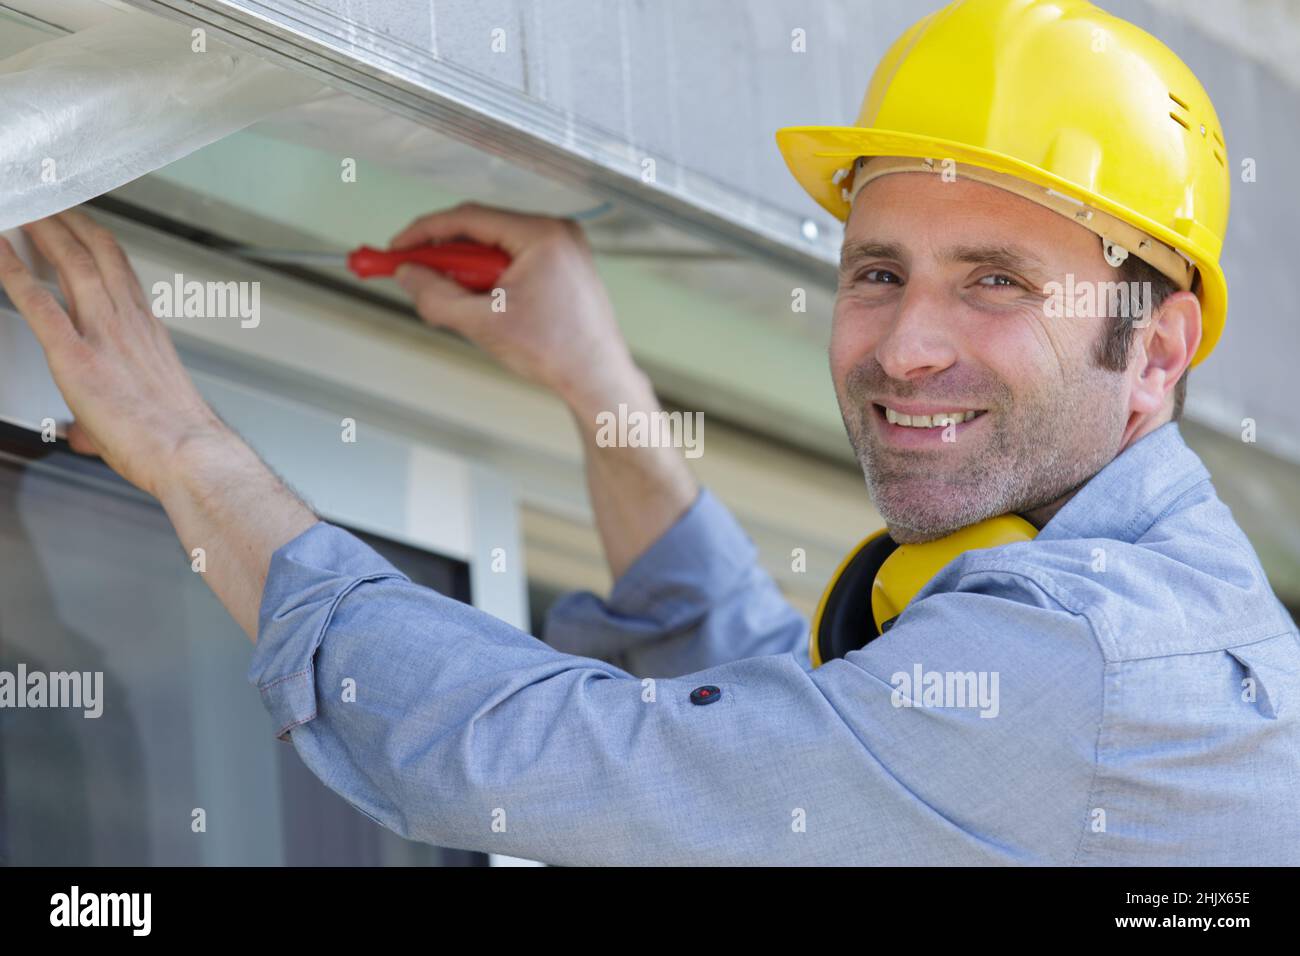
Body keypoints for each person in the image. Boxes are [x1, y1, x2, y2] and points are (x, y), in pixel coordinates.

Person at [0, 0, 1296, 864]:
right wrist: (596, 379)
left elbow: (590, 769)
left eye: (998, 281)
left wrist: (182, 446)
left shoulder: (1084, 658)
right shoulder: (1153, 618)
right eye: (879, 272)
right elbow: (773, 758)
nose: (905, 347)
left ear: (1160, 348)